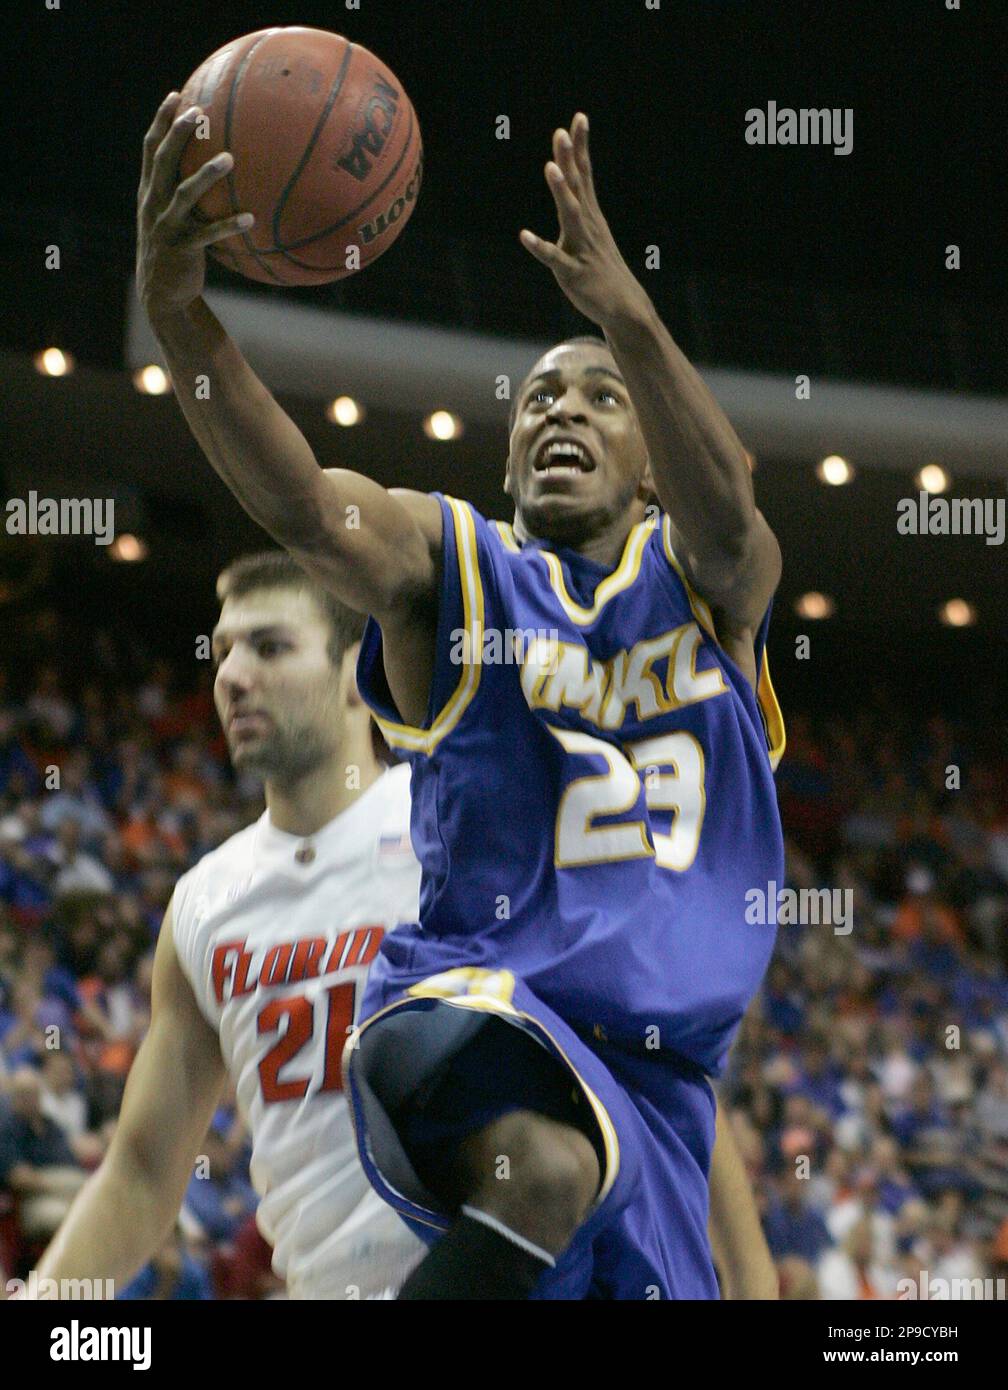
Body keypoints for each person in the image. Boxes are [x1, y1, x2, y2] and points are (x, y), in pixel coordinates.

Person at [136, 97, 784, 1299]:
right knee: (536, 1169)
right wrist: (182, 319)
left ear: (651, 462)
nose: (561, 413)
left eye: (599, 398)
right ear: (505, 459)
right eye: (537, 399)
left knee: (567, 1197)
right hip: (475, 1016)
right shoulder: (459, 568)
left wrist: (624, 316)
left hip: (656, 1095)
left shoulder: (710, 592)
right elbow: (300, 509)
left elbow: (734, 515)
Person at [26, 553, 425, 1298]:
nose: (233, 674)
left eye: (271, 646)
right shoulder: (206, 903)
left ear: (355, 672)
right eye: (226, 650)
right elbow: (142, 1173)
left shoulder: (448, 828)